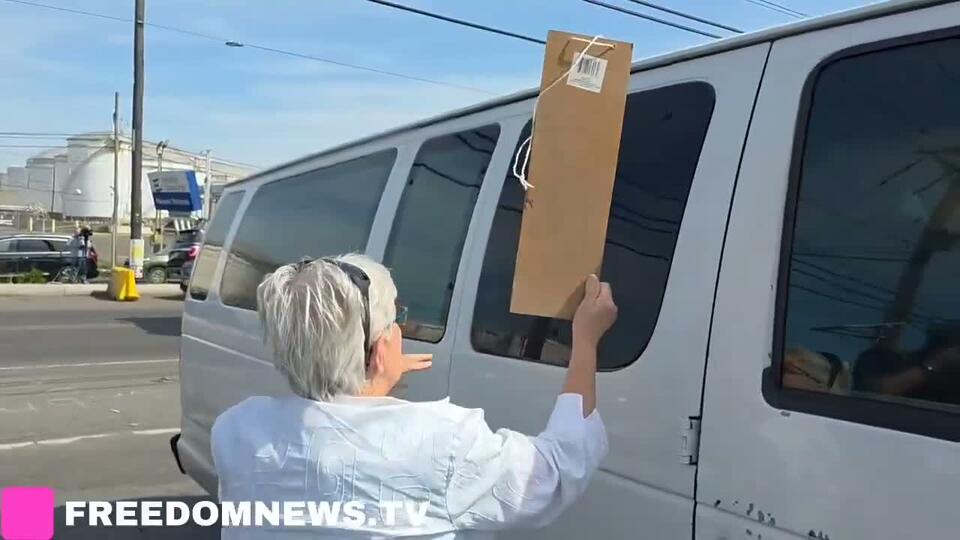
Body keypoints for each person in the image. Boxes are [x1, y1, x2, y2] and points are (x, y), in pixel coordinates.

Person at [211, 253, 617, 538]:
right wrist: (585, 343)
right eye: (397, 318)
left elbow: (328, 444)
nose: (400, 328)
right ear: (378, 348)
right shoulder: (445, 441)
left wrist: (371, 378)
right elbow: (560, 468)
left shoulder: (238, 430)